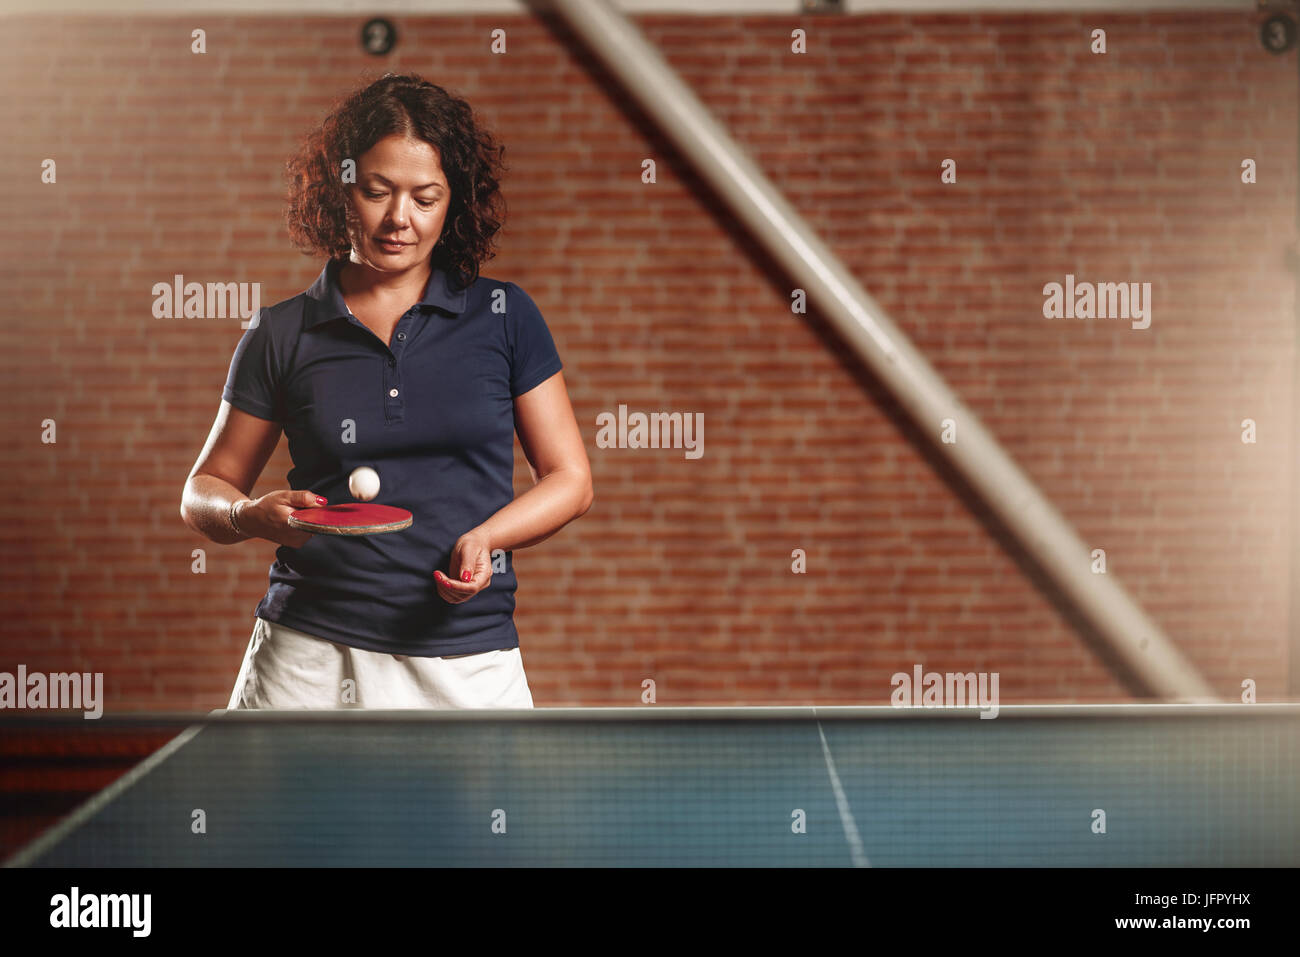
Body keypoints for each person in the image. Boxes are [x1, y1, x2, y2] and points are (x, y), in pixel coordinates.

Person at [180, 74, 592, 710]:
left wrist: (487, 539)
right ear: (340, 190)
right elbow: (202, 490)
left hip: (467, 656)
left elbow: (570, 478)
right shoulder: (280, 332)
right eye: (377, 192)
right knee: (271, 816)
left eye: (426, 198)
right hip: (307, 657)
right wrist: (247, 515)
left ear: (455, 203)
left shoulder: (506, 316)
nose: (400, 218)